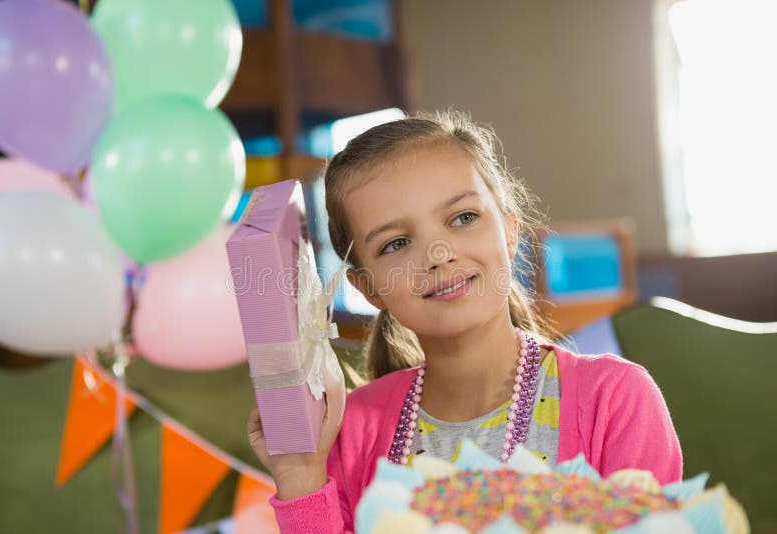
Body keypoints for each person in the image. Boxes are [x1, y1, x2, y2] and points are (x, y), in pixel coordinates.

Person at [246, 111, 682, 533]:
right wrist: (301, 477)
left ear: (510, 230)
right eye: (396, 243)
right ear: (366, 287)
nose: (438, 254)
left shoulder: (615, 398)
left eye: (463, 218)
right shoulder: (351, 430)